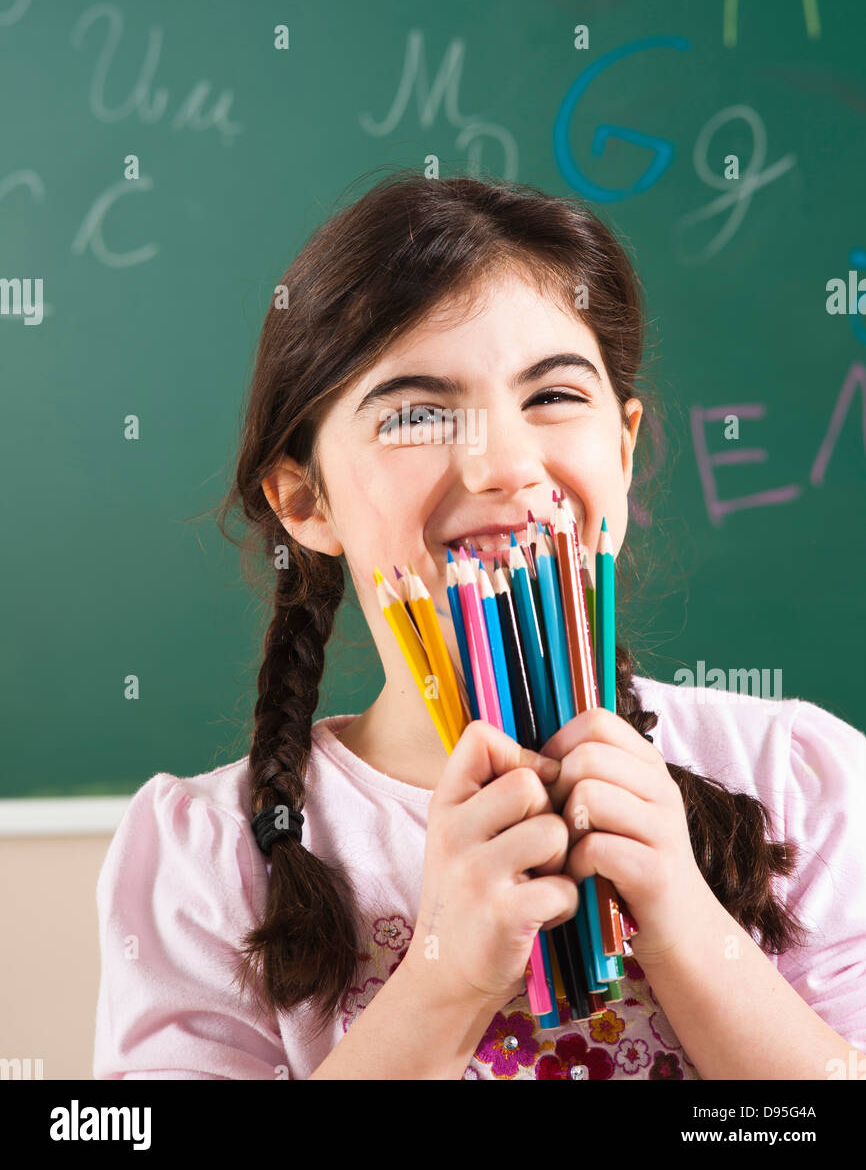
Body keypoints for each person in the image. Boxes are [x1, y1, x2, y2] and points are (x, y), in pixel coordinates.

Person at [93, 170, 866, 1080]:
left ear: (620, 454)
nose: (502, 463)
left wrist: (688, 924)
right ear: (305, 499)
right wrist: (444, 977)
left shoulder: (798, 777)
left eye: (553, 397)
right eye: (419, 413)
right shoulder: (208, 856)